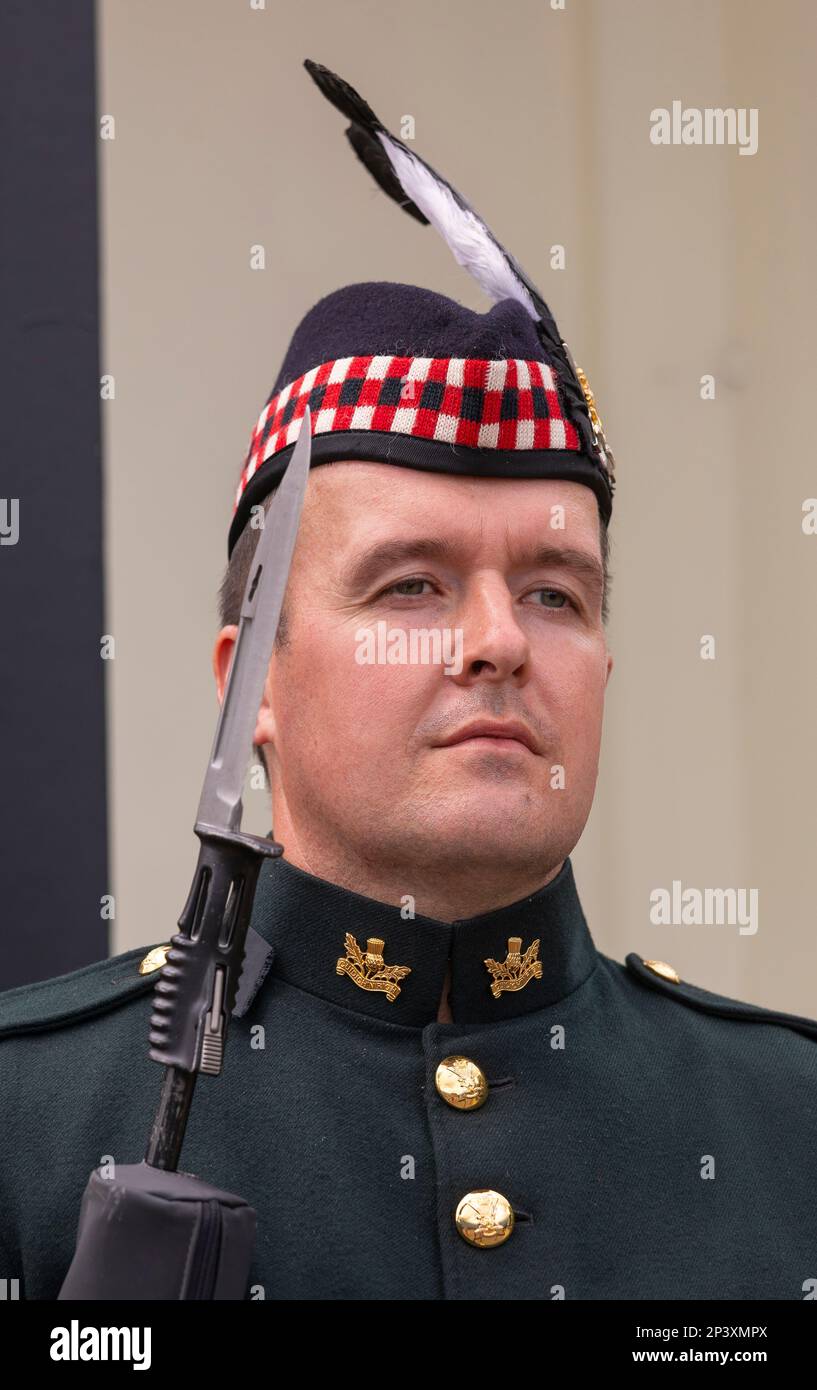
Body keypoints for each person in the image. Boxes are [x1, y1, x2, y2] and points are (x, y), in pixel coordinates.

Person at [1, 62, 815, 1302]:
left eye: (555, 592)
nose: (498, 641)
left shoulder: (787, 1125)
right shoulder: (32, 1120)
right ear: (249, 689)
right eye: (410, 588)